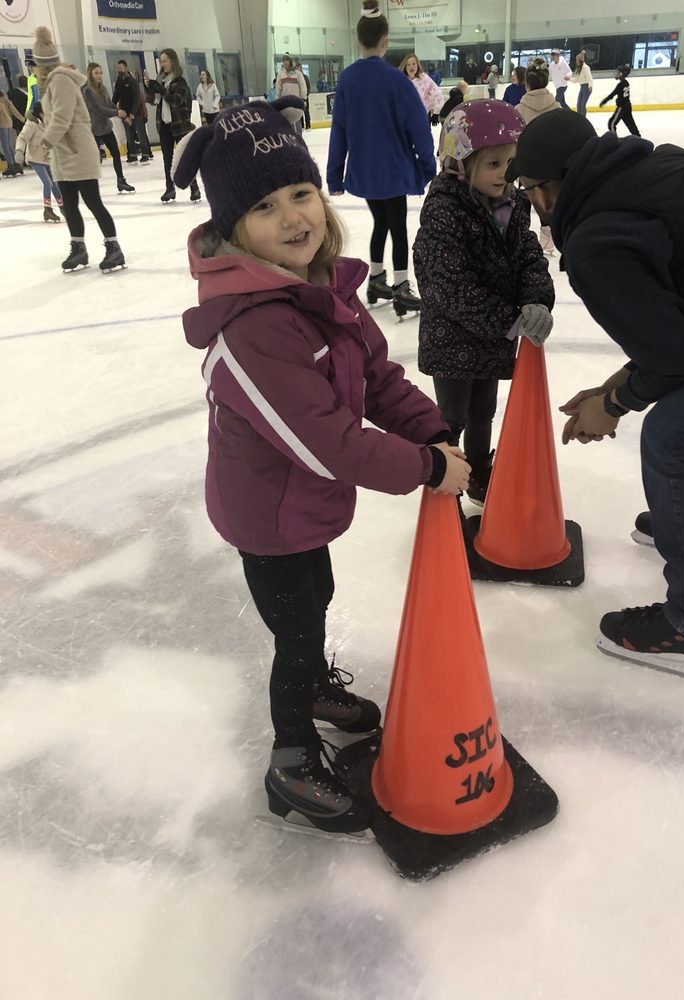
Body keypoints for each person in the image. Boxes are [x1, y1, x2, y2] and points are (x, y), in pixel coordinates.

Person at [172, 96, 469, 834]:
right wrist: (425, 469)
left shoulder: (323, 290)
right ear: (234, 230)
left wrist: (432, 430)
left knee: (320, 592)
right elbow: (325, 440)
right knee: (296, 631)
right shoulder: (256, 331)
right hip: (267, 514)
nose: (294, 216)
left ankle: (311, 691)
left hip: (303, 505)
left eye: (301, 192)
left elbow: (377, 376)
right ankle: (292, 759)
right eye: (266, 206)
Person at [507, 111, 684, 687]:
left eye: (529, 189)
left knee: (674, 440)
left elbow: (677, 360)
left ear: (547, 188)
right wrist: (618, 383)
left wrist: (613, 406)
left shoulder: (595, 241)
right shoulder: (643, 168)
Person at [413, 100, 555, 506]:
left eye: (510, 163)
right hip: (453, 342)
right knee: (452, 418)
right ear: (461, 163)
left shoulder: (514, 205)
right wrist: (509, 321)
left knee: (484, 412)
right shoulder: (444, 212)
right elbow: (449, 286)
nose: (504, 174)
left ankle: (477, 472)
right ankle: (447, 482)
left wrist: (536, 300)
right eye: (493, 163)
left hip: (493, 340)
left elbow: (528, 256)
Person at [327, 1, 435, 318]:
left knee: (381, 223)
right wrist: (427, 167)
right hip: (394, 170)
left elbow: (339, 131)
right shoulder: (396, 80)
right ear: (385, 40)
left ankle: (376, 279)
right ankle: (401, 286)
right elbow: (418, 127)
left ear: (359, 40)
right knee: (397, 227)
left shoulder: (347, 79)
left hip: (366, 172)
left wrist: (335, 176)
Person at [32, 27, 126, 273]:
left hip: (78, 151)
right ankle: (79, 248)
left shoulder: (61, 80)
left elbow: (62, 118)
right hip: (64, 155)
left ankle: (114, 247)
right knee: (69, 205)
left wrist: (44, 143)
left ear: (42, 65)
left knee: (92, 201)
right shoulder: (52, 82)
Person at [144, 48, 201, 203]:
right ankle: (170, 189)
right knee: (167, 159)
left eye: (165, 61)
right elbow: (153, 100)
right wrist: (149, 88)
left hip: (179, 125)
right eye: (161, 61)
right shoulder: (161, 80)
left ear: (172, 61)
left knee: (183, 158)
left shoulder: (180, 82)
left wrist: (161, 89)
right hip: (164, 126)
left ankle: (194, 187)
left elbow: (176, 101)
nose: (162, 64)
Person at [517, 64, 559, 256]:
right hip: (552, 165)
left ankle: (521, 237)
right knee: (548, 201)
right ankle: (548, 237)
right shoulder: (557, 108)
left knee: (524, 199)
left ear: (527, 84)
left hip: (527, 167)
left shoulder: (518, 110)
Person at [83, 64, 135, 194]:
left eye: (100, 72)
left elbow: (109, 104)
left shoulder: (103, 88)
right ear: (90, 74)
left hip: (105, 127)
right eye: (96, 73)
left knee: (116, 154)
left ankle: (121, 180)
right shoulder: (87, 91)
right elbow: (99, 109)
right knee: (95, 159)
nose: (99, 75)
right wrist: (117, 113)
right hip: (93, 129)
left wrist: (122, 114)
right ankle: (90, 186)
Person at [15, 103, 65, 221]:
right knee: (48, 183)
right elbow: (22, 138)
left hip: (46, 158)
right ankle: (47, 210)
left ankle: (63, 207)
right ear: (41, 113)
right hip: (34, 158)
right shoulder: (32, 124)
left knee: (55, 184)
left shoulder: (48, 123)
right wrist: (19, 151)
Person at [113, 59, 151, 164]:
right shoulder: (119, 82)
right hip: (125, 114)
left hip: (136, 113)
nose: (119, 70)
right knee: (129, 135)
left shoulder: (132, 81)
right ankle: (133, 155)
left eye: (121, 68)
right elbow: (116, 96)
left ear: (126, 68)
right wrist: (112, 107)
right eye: (118, 68)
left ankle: (145, 154)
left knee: (140, 134)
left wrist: (133, 113)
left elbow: (137, 97)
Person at [399, 52, 443, 123]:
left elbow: (438, 94)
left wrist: (436, 113)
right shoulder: (401, 80)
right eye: (408, 65)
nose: (411, 67)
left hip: (423, 116)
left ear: (417, 65)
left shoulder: (424, 79)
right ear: (405, 67)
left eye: (414, 64)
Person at [600, 65, 640, 136]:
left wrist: (604, 101)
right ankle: (639, 138)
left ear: (621, 74)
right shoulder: (626, 83)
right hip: (627, 107)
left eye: (618, 72)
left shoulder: (620, 85)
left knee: (611, 123)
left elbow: (612, 95)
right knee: (631, 126)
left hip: (622, 108)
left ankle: (614, 140)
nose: (616, 73)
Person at [274, 56, 307, 134]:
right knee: (288, 121)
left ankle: (299, 138)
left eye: (287, 60)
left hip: (296, 101)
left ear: (291, 62)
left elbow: (303, 85)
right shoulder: (281, 74)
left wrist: (304, 98)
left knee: (297, 120)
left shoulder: (298, 73)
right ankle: (291, 138)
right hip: (285, 102)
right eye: (284, 60)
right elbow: (278, 87)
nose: (285, 62)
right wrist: (278, 98)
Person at [0, 90, 25, 176]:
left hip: (2, 124)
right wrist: (22, 119)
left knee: (5, 146)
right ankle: (17, 164)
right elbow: (13, 110)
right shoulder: (5, 99)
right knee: (9, 145)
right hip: (9, 123)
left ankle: (11, 166)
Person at [568, 50, 593, 117]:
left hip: (587, 87)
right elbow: (576, 80)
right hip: (582, 87)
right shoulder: (579, 69)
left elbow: (589, 78)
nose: (576, 62)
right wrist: (569, 79)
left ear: (580, 61)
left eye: (577, 60)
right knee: (579, 104)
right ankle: (579, 118)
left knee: (582, 105)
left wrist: (590, 86)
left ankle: (583, 119)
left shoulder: (585, 68)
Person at [296, 62, 312, 130]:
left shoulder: (305, 77)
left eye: (298, 68)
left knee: (306, 111)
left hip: (304, 97)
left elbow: (308, 87)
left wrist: (306, 95)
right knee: (300, 112)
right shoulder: (296, 78)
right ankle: (301, 125)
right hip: (298, 97)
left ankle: (308, 125)